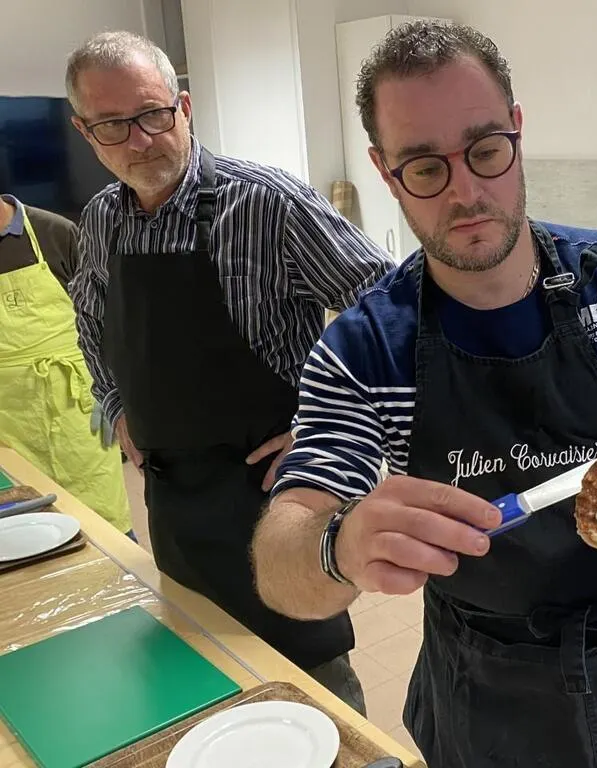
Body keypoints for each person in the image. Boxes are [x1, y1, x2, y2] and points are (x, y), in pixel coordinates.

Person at [251, 20, 597, 767]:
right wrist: (340, 547)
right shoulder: (364, 347)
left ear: (516, 131)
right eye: (425, 167)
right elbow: (284, 563)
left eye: (484, 150)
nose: (467, 192)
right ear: (386, 173)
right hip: (480, 689)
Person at [64, 30, 393, 715]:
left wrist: (326, 429)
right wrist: (116, 402)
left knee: (315, 689)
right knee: (205, 672)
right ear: (85, 132)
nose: (140, 140)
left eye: (153, 114)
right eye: (113, 125)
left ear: (184, 107)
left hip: (278, 496)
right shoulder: (101, 221)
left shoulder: (268, 203)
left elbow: (391, 312)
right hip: (174, 501)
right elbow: (90, 321)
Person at [0, 194, 131, 533]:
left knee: (105, 530)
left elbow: (110, 322)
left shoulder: (54, 233)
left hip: (80, 416)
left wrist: (116, 395)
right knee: (26, 535)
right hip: (8, 429)